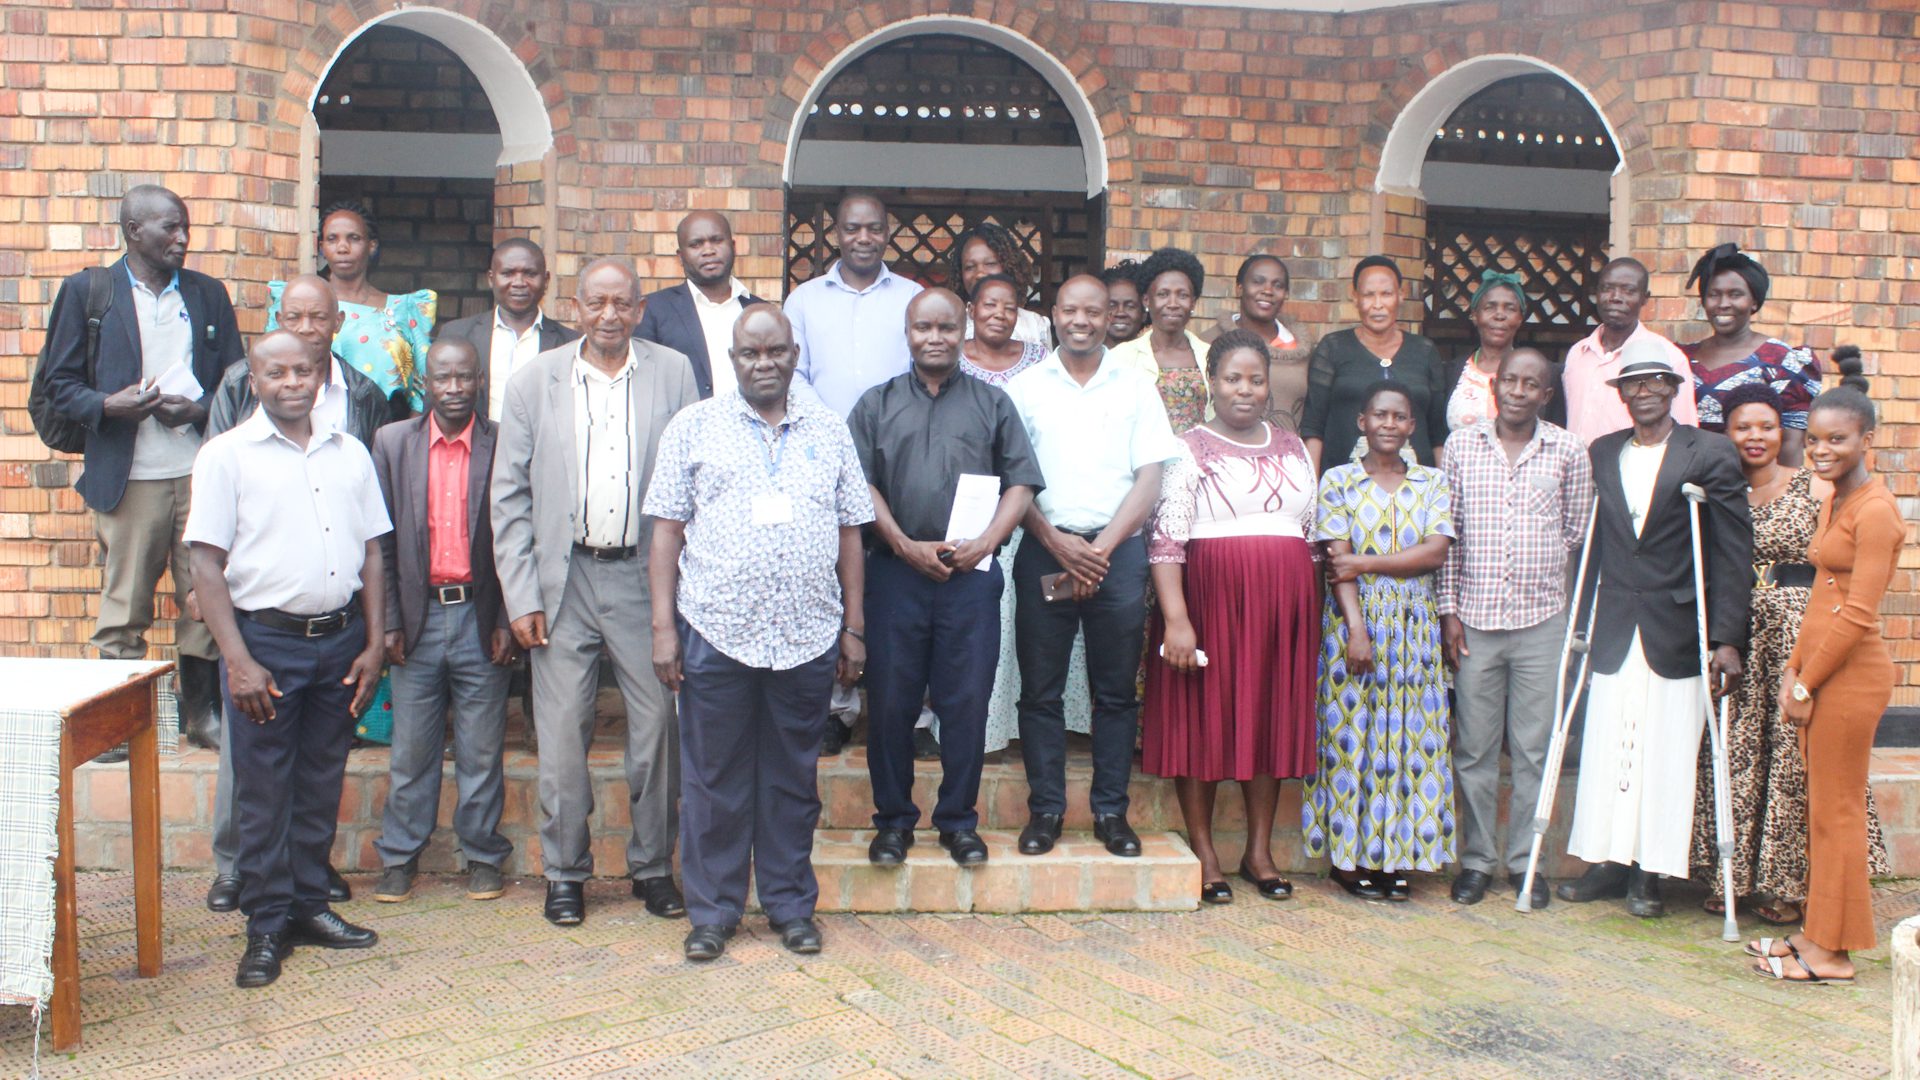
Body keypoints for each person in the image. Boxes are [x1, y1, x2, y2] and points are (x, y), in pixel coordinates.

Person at [645, 304, 875, 961]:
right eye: (751, 353)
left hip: (806, 635)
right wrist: (664, 628)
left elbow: (850, 532)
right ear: (732, 359)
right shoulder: (694, 428)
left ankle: (787, 906)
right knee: (713, 780)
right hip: (716, 631)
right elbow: (665, 529)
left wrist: (852, 629)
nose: (764, 363)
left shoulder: (828, 431)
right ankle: (713, 913)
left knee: (791, 781)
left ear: (794, 354)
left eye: (776, 351)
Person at [490, 257, 698, 927]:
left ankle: (651, 868)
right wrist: (522, 595)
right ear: (575, 307)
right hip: (563, 578)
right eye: (596, 302)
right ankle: (566, 874)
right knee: (558, 732)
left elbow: (696, 477)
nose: (609, 314)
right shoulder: (532, 383)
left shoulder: (673, 373)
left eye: (622, 303)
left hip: (644, 576)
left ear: (640, 310)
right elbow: (509, 498)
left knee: (658, 727)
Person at [184, 330, 390, 989]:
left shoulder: (349, 452)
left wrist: (376, 641)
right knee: (265, 791)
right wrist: (238, 661)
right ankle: (266, 924)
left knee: (320, 782)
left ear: (319, 374)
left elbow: (375, 553)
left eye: (304, 370)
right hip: (264, 646)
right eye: (278, 373)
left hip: (337, 642)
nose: (293, 383)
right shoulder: (226, 457)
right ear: (255, 380)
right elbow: (205, 565)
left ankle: (308, 906)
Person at [39, 184, 241, 756]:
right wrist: (108, 406)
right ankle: (119, 728)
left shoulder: (206, 294)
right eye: (170, 228)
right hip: (128, 476)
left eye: (186, 228)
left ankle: (201, 717)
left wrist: (199, 410)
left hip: (200, 473)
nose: (182, 238)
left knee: (203, 593)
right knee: (125, 602)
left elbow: (235, 380)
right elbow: (58, 384)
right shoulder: (89, 292)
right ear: (133, 231)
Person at [852, 289, 1043, 868]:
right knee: (889, 706)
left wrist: (986, 542)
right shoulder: (875, 404)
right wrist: (903, 545)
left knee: (966, 705)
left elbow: (1022, 484)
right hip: (894, 577)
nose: (933, 337)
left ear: (962, 332)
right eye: (921, 328)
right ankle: (893, 823)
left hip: (970, 578)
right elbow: (860, 485)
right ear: (907, 332)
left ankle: (959, 821)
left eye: (944, 328)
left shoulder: (992, 404)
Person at [1689, 378, 1889, 925]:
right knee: (1737, 747)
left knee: (1789, 754)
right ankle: (1731, 875)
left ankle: (1788, 882)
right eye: (1743, 427)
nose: (1756, 437)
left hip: (1798, 625)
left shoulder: (1816, 487)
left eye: (1767, 426)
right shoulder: (1714, 492)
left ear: (1784, 432)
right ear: (1725, 435)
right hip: (1739, 626)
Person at [1559, 354, 1750, 918]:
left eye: (1655, 382)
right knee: (1611, 748)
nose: (1644, 391)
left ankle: (1651, 871)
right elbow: (1593, 545)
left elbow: (1733, 548)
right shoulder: (1604, 451)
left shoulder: (1708, 452)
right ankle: (1609, 861)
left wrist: (1727, 636)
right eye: (1632, 384)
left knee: (1666, 750)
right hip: (1616, 621)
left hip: (1677, 624)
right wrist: (1580, 618)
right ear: (1621, 394)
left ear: (1673, 389)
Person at [1002, 275, 1182, 858]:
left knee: (1114, 693)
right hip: (1045, 550)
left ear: (1111, 318)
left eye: (1094, 311)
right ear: (1053, 314)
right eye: (1071, 310)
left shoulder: (1134, 387)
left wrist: (1100, 548)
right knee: (1041, 690)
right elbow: (1013, 480)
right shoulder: (1026, 388)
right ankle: (1046, 810)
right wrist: (1057, 542)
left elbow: (1150, 478)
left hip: (1116, 555)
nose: (1082, 320)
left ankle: (1111, 811)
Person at [1145, 330, 1319, 904]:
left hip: (1282, 611)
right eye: (1232, 379)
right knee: (1206, 724)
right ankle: (1205, 852)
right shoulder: (1187, 447)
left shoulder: (1292, 446)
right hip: (1212, 604)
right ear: (1211, 384)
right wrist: (1177, 621)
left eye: (1256, 379)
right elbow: (1167, 543)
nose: (1245, 390)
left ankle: (1259, 852)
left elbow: (1310, 537)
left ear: (1269, 385)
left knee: (1267, 720)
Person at [1751, 358, 1903, 983]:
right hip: (1818, 669)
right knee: (1823, 810)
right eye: (1812, 439)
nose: (1820, 450)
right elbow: (1820, 598)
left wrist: (1808, 682)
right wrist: (1793, 670)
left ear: (1867, 440)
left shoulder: (1877, 512)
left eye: (1836, 440)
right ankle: (1818, 934)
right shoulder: (1837, 498)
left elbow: (1859, 614)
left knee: (1837, 813)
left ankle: (1832, 955)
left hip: (1851, 676)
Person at [1438, 348, 1593, 909]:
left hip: (1542, 622)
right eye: (1511, 380)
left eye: (1533, 383)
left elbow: (1575, 535)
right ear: (1495, 386)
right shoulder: (1461, 446)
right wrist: (1449, 612)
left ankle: (1526, 862)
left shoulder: (1568, 451)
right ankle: (1478, 860)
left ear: (1547, 395)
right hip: (1475, 621)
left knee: (1532, 749)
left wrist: (1569, 623)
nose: (1520, 390)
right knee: (1475, 749)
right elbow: (1446, 535)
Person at [369, 339, 517, 905]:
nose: (453, 389)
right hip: (418, 617)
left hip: (481, 616)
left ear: (480, 381)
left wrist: (507, 615)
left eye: (463, 378)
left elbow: (514, 536)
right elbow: (379, 541)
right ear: (425, 383)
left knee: (482, 749)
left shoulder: (500, 442)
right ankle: (399, 858)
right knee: (411, 750)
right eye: (441, 379)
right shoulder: (392, 442)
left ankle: (482, 855)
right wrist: (386, 623)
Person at [1302, 381, 1456, 901]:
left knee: (1410, 742)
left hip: (1416, 631)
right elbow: (1334, 563)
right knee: (1356, 743)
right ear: (1362, 422)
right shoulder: (1338, 482)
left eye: (1400, 417)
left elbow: (1434, 553)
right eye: (1379, 415)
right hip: (1356, 627)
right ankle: (1349, 861)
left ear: (1412, 427)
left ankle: (1396, 857)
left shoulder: (1432, 483)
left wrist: (1366, 562)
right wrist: (1358, 630)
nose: (1389, 424)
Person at [785, 192, 921, 752]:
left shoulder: (913, 297)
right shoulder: (804, 300)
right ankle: (836, 710)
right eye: (851, 229)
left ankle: (908, 712)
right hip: (824, 460)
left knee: (901, 583)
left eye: (873, 229)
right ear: (835, 233)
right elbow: (793, 375)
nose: (862, 238)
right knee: (830, 580)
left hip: (901, 462)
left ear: (888, 232)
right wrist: (834, 437)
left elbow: (928, 368)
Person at [1300, 256, 1449, 474]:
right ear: (1355, 298)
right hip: (1344, 490)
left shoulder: (1425, 351)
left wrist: (1443, 490)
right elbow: (1314, 428)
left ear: (1401, 295)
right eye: (1369, 295)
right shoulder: (1333, 348)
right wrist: (1313, 491)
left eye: (1386, 294)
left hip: (1415, 490)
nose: (1377, 304)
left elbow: (1438, 432)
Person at [1680, 242, 1821, 467]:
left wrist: (1782, 498)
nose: (1723, 304)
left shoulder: (1782, 362)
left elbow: (1790, 446)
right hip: (1686, 491)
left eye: (1735, 294)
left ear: (1754, 301)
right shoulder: (1681, 359)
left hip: (1752, 490)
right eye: (1714, 295)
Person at [311, 200, 435, 416]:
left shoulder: (404, 309)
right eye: (332, 239)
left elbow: (421, 391)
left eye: (354, 238)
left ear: (372, 245)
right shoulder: (302, 308)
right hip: (317, 427)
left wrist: (404, 443)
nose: (342, 247)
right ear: (321, 247)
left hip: (387, 433)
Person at [434, 238, 578, 420]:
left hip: (543, 448)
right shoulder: (457, 334)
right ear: (491, 279)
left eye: (530, 273)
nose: (519, 282)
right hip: (476, 447)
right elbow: (434, 407)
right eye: (508, 273)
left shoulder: (571, 344)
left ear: (546, 280)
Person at [1561, 257, 1698, 443]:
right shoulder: (1578, 353)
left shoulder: (1669, 358)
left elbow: (1685, 435)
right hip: (1577, 470)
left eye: (1628, 290)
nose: (1615, 297)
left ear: (1645, 299)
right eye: (1607, 288)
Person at [634, 211, 765, 400]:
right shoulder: (653, 310)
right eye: (696, 244)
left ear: (733, 246)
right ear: (680, 256)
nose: (708, 250)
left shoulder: (759, 310)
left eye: (717, 240)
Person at [1439, 270, 1566, 433]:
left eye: (1510, 308)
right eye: (1489, 307)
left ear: (1520, 318)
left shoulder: (1546, 374)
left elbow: (1556, 433)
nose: (1499, 315)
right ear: (1474, 316)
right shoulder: (1450, 372)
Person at [1202, 254, 1310, 432]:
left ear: (1286, 294)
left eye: (1278, 285)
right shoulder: (1208, 342)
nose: (1268, 290)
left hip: (1285, 455)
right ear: (1239, 288)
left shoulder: (1303, 350)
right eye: (1258, 282)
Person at [1110, 247, 1212, 431]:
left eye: (1182, 295)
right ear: (1147, 300)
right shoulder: (1120, 357)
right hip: (1143, 458)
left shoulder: (1211, 355)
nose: (1173, 304)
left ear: (1193, 303)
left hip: (1202, 457)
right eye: (1163, 294)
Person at [949, 222, 1051, 347]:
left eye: (990, 264)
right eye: (969, 267)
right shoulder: (950, 326)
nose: (980, 274)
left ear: (1009, 267)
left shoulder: (1035, 325)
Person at [1101, 260, 1144, 349]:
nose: (1120, 313)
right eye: (1111, 305)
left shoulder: (1152, 360)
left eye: (1130, 306)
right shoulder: (1085, 358)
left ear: (1144, 314)